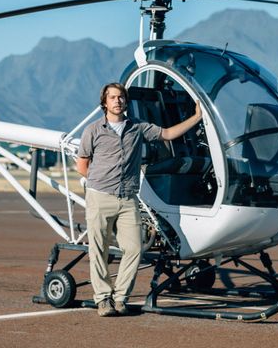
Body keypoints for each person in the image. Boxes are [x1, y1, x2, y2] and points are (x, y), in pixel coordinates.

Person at [76, 82, 203, 317]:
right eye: (112, 97)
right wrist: (100, 183)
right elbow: (82, 164)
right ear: (104, 102)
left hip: (128, 199)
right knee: (99, 250)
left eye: (121, 97)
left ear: (126, 101)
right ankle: (103, 299)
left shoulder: (137, 127)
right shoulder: (92, 130)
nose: (117, 101)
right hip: (100, 197)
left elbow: (167, 134)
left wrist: (196, 118)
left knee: (134, 248)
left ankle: (120, 298)